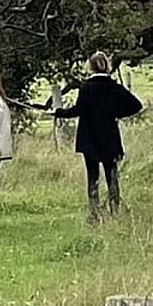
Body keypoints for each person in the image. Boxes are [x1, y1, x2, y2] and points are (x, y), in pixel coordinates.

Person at [53, 51, 143, 221]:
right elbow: (136, 105)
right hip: (109, 136)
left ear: (91, 67)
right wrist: (116, 113)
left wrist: (59, 112)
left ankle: (94, 213)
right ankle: (115, 210)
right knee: (112, 175)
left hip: (89, 138)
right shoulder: (114, 87)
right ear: (107, 66)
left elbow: (77, 110)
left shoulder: (87, 88)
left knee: (92, 175)